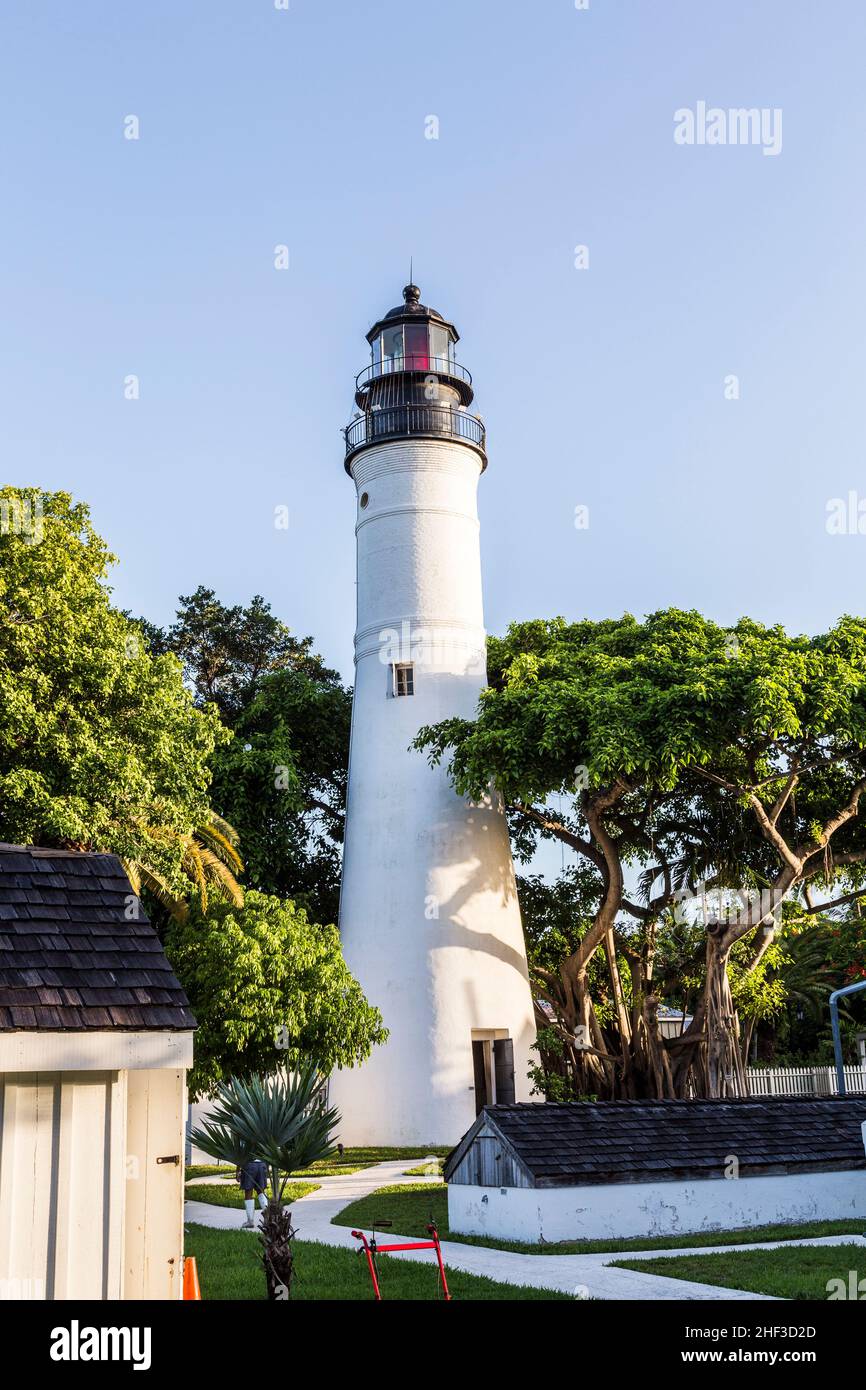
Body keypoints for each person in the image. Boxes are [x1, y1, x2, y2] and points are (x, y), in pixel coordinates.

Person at [236, 1157, 269, 1228]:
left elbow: (240, 1154)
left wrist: (238, 1170)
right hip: (261, 1164)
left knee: (248, 1191)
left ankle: (250, 1221)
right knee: (261, 1191)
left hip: (249, 1164)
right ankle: (268, 1219)